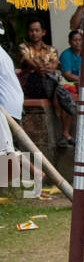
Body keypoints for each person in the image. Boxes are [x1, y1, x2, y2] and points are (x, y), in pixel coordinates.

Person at [17, 16, 77, 146]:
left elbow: (55, 64)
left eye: (37, 30)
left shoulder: (51, 49)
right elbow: (31, 63)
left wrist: (47, 66)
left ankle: (65, 134)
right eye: (31, 30)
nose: (34, 33)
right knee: (58, 90)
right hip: (32, 84)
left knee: (61, 93)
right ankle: (65, 134)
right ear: (28, 32)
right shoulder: (23, 47)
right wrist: (44, 66)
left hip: (49, 84)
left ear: (43, 32)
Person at [0, 21, 23, 160]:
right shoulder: (2, 53)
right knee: (9, 146)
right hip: (10, 102)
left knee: (7, 147)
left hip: (5, 104)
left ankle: (35, 172)